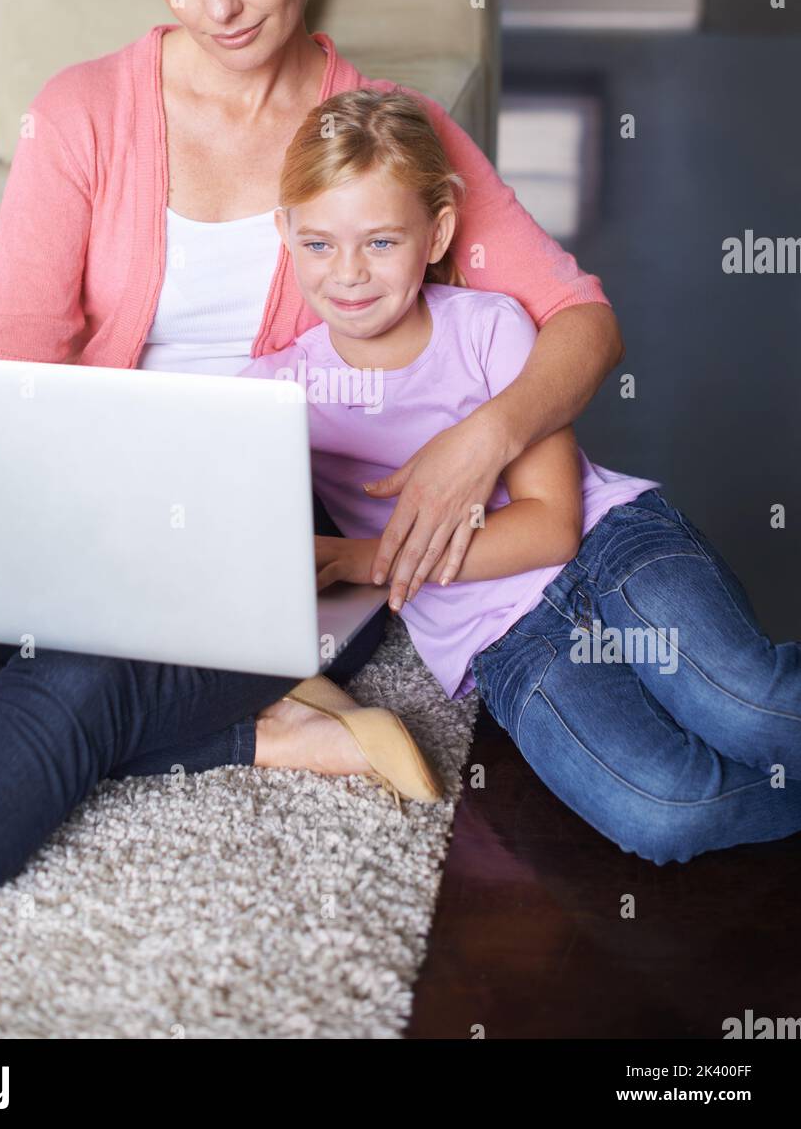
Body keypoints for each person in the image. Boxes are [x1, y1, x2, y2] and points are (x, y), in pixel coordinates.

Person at [0, 0, 622, 972]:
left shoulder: (380, 133)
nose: (214, 5)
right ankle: (254, 739)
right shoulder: (81, 113)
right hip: (85, 500)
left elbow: (579, 318)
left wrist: (483, 439)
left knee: (73, 683)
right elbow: (9, 348)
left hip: (269, 535)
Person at [236, 85, 801, 867]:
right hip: (499, 639)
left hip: (611, 551)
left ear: (436, 233)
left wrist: (358, 560)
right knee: (663, 809)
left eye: (381, 243)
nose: (349, 275)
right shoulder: (272, 392)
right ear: (284, 235)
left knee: (747, 706)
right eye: (319, 244)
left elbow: (550, 527)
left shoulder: (489, 328)